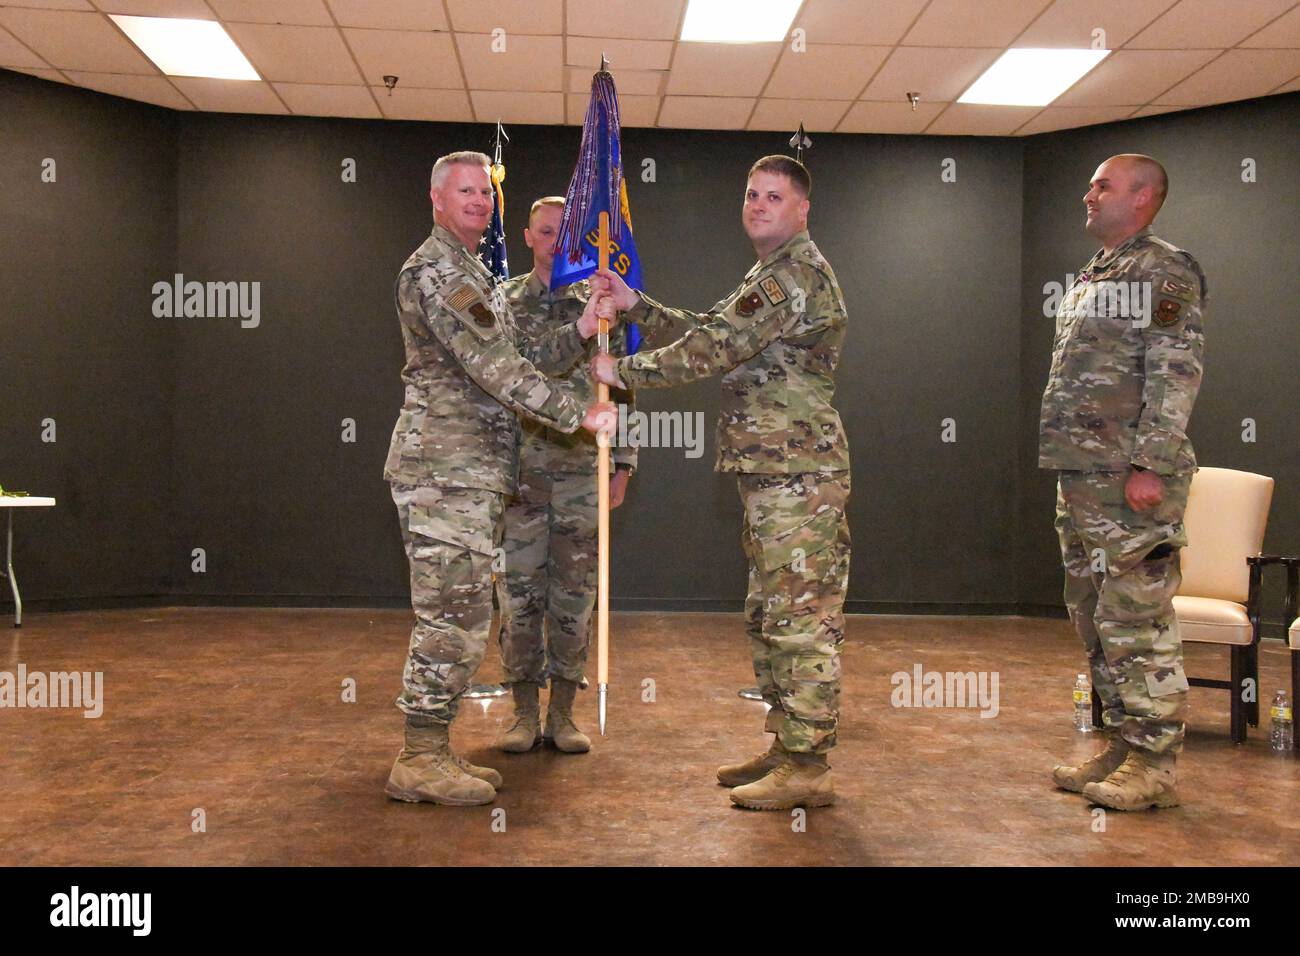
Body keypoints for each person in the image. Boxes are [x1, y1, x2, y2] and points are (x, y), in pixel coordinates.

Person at [590, 155, 850, 811]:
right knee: (769, 615)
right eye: (751, 193)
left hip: (798, 476)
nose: (758, 204)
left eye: (773, 196)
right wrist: (636, 304)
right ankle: (787, 746)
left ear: (801, 209)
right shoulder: (769, 274)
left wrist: (623, 370)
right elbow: (718, 329)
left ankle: (809, 766)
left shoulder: (794, 274)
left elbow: (712, 352)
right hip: (772, 472)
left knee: (799, 620)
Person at [383, 151, 616, 806]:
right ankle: (419, 757)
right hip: (444, 470)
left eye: (485, 192)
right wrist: (580, 415)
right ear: (436, 199)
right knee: (451, 618)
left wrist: (580, 328)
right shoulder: (437, 272)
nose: (479, 201)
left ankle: (430, 750)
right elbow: (496, 368)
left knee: (460, 613)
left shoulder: (472, 273)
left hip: (473, 472)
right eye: (464, 191)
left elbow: (527, 355)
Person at [1040, 153, 1206, 811]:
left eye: (1102, 184)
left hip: (1128, 481)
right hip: (1082, 479)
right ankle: (1124, 745)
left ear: (1142, 197)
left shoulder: (1165, 270)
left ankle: (1156, 762)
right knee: (1095, 617)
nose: (1089, 193)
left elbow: (1176, 370)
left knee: (1136, 618)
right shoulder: (1095, 273)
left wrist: (1151, 464)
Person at [494, 196, 639, 755]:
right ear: (528, 236)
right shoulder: (505, 303)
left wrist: (623, 463)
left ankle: (563, 713)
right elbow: (517, 372)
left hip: (584, 472)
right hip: (523, 475)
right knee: (521, 597)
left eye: (564, 232)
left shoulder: (601, 305)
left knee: (574, 598)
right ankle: (522, 712)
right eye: (545, 231)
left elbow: (623, 386)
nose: (555, 240)